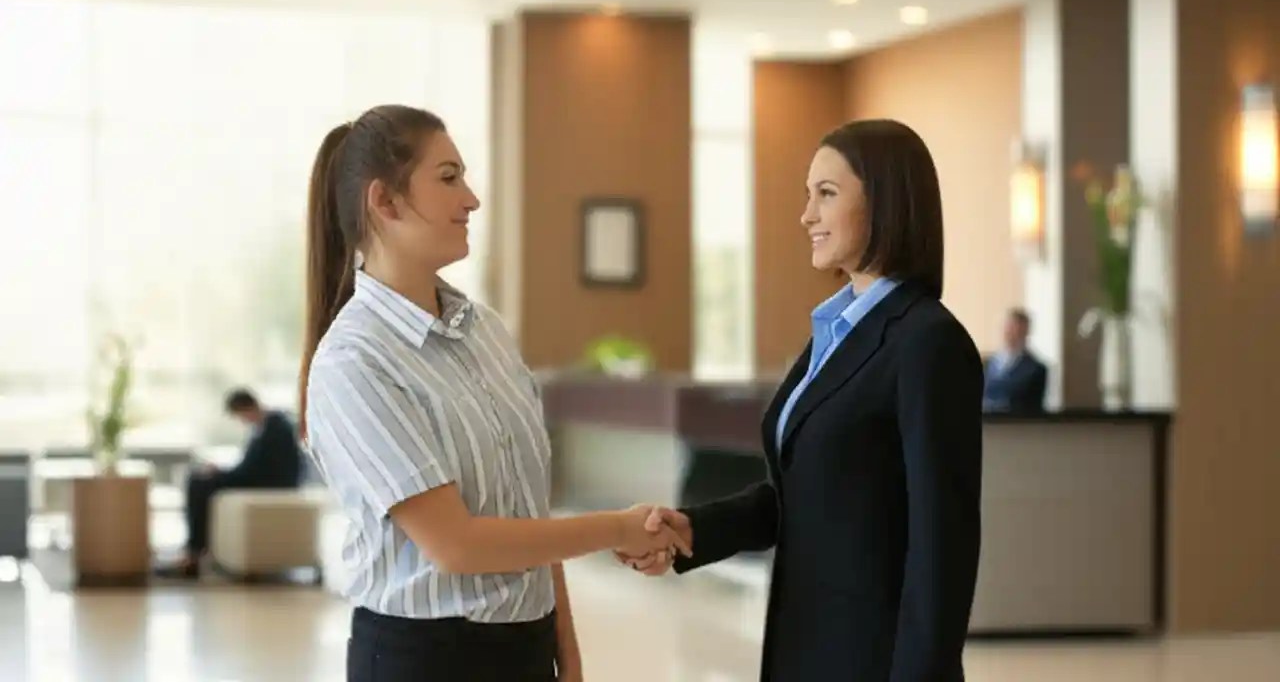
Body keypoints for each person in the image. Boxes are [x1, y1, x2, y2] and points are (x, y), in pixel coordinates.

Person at [299, 104, 688, 682]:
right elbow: (458, 545)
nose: (472, 199)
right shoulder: (355, 361)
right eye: (449, 178)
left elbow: (529, 517)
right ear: (385, 201)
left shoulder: (487, 333)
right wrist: (617, 528)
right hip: (424, 661)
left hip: (526, 650)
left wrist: (568, 659)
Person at [620, 119, 984, 681]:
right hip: (805, 648)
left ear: (885, 201)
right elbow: (806, 495)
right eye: (808, 194)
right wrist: (695, 529)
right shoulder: (834, 334)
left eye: (827, 194)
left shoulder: (928, 342)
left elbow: (943, 545)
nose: (806, 215)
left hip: (873, 661)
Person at [157, 388, 302, 579]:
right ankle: (197, 551)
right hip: (259, 478)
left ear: (245, 408)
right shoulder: (265, 425)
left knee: (199, 484)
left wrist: (222, 473)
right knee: (199, 480)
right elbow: (251, 466)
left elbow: (254, 469)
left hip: (270, 483)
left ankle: (194, 553)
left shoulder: (275, 426)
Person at [982, 307, 1048, 412]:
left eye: (1015, 328)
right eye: (1008, 327)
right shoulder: (986, 364)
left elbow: (1034, 409)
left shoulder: (1035, 369)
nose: (1010, 332)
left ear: (1025, 332)